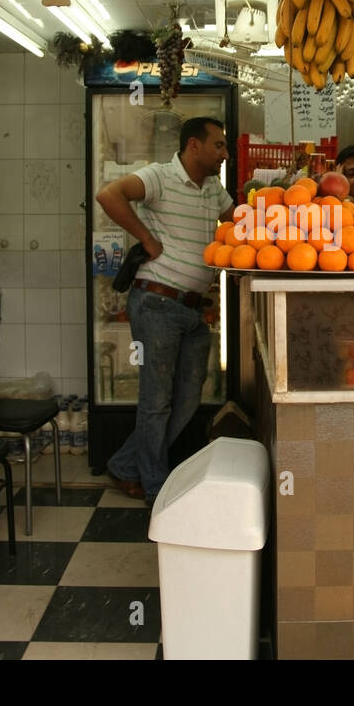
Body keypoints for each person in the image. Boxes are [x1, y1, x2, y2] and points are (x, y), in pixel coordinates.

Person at [94, 116, 234, 505]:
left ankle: (125, 465)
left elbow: (236, 222)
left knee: (187, 398)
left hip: (192, 310)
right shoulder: (159, 176)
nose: (225, 153)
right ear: (194, 145)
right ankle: (155, 486)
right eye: (219, 145)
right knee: (156, 401)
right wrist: (147, 239)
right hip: (156, 302)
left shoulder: (212, 189)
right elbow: (109, 195)